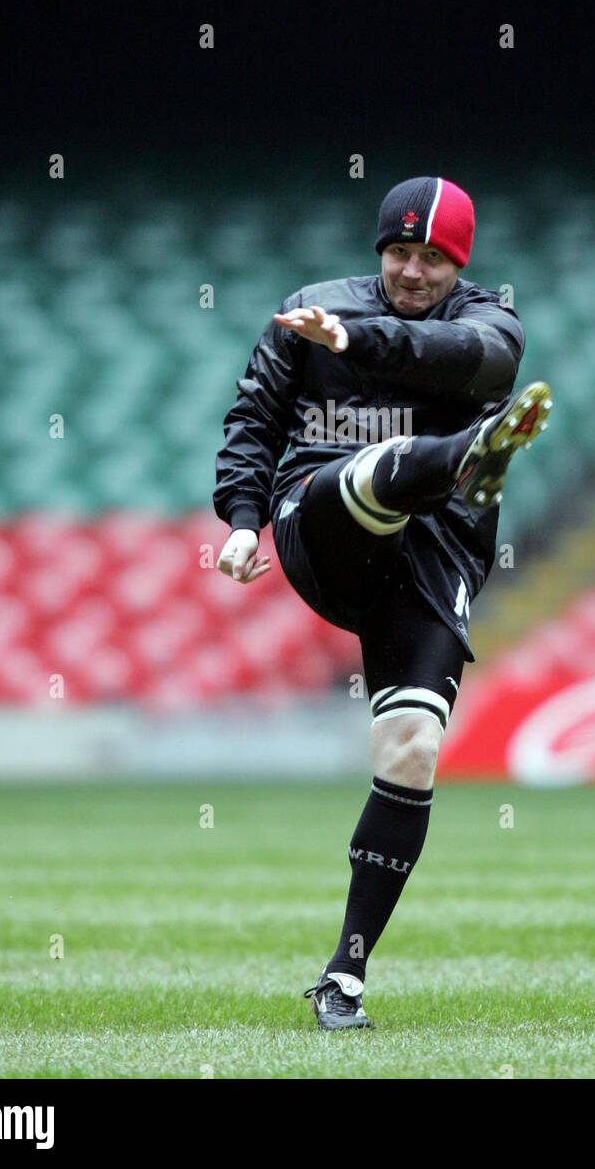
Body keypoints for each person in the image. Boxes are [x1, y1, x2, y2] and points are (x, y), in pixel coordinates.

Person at [213, 176, 551, 1029]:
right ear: (379, 250)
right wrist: (244, 521)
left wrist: (360, 342)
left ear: (459, 264)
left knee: (410, 751)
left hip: (435, 554)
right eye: (399, 253)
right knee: (375, 473)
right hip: (316, 516)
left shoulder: (491, 325)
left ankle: (343, 980)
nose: (411, 270)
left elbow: (465, 360)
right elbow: (253, 420)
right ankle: (469, 452)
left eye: (431, 258)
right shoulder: (309, 309)